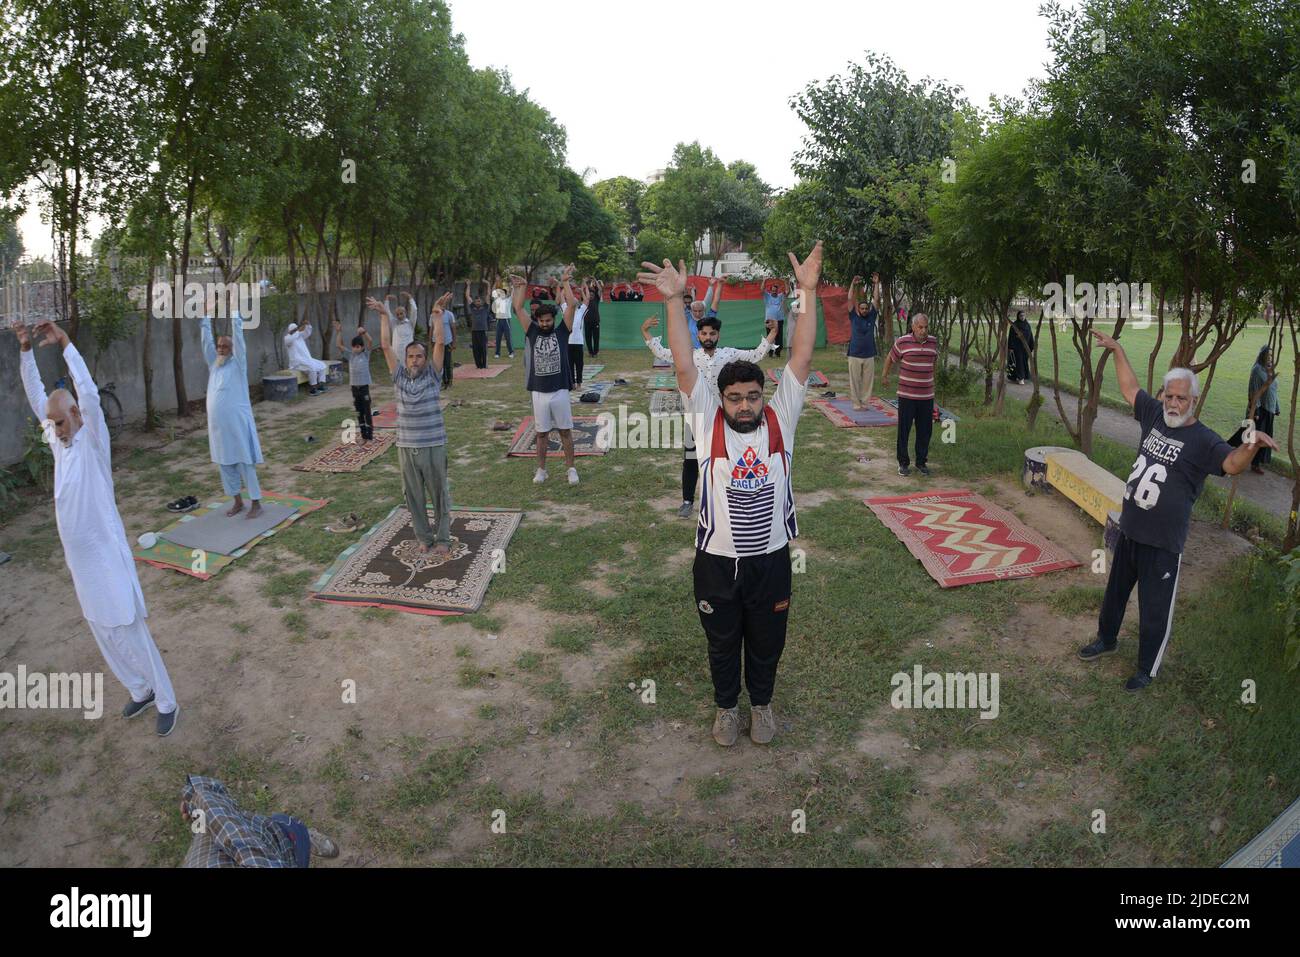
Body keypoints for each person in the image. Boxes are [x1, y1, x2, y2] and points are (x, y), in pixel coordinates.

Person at [639, 242, 823, 748]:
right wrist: (675, 301)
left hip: (770, 560)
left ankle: (760, 706)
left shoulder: (782, 418)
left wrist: (805, 293)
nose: (745, 405)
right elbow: (681, 364)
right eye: (735, 397)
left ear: (765, 397)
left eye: (752, 396)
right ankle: (726, 709)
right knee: (722, 644)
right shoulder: (706, 420)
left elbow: (802, 356)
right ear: (720, 399)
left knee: (767, 642)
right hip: (716, 561)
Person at [1078, 331, 1277, 690]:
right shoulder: (1154, 414)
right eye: (1169, 396)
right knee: (1114, 595)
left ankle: (1145, 669)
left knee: (1155, 610)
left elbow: (1231, 465)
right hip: (1131, 528)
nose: (1173, 403)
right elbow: (1129, 388)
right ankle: (1106, 640)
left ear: (1193, 401)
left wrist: (1249, 446)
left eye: (1180, 398)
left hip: (1163, 543)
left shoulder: (1204, 439)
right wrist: (1118, 349)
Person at [16, 319, 180, 736]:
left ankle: (166, 701)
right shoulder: (59, 440)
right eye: (51, 424)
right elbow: (38, 398)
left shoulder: (91, 439)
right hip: (81, 561)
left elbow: (86, 393)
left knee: (128, 626)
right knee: (103, 630)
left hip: (105, 555)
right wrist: (24, 351)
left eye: (60, 421)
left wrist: (66, 344)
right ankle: (139, 689)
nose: (53, 429)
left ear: (74, 415)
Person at [642, 310, 778, 519]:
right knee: (691, 460)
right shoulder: (689, 356)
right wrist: (645, 331)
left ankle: (725, 497)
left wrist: (773, 333)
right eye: (704, 334)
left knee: (726, 458)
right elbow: (662, 353)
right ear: (698, 336)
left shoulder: (729, 354)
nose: (708, 338)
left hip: (723, 418)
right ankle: (687, 501)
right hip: (694, 418)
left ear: (718, 335)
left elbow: (755, 355)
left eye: (712, 334)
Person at [374, 292, 453, 557]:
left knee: (439, 493)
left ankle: (442, 538)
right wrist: (384, 317)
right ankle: (423, 536)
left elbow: (439, 341)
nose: (415, 360)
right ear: (405, 359)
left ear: (425, 358)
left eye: (420, 356)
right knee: (413, 496)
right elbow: (385, 346)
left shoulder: (432, 375)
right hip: (406, 447)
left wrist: (437, 316)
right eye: (411, 357)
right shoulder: (398, 377)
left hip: (432, 445)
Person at [510, 268, 580, 486]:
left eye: (548, 320)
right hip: (539, 391)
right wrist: (520, 287)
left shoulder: (562, 331)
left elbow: (573, 305)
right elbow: (518, 308)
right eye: (542, 321)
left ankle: (571, 469)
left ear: (553, 319)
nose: (545, 324)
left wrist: (565, 282)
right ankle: (541, 470)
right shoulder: (532, 331)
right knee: (541, 433)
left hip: (559, 389)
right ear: (537, 321)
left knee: (565, 431)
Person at [180, 775, 339, 867]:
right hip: (273, 849)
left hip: (263, 834)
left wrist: (194, 801)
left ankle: (301, 836)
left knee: (288, 833)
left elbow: (217, 816)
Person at [201, 296, 264, 519]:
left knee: (245, 462)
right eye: (219, 346)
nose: (220, 349)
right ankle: (237, 501)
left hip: (237, 424)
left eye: (225, 346)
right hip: (218, 427)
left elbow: (239, 339)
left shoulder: (237, 364)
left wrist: (235, 313)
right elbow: (205, 342)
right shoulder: (214, 365)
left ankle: (256, 502)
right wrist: (206, 316)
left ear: (231, 349)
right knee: (225, 463)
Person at [880, 312, 940, 476]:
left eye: (926, 327)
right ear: (913, 327)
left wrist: (931, 379)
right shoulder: (903, 342)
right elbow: (890, 358)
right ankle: (903, 463)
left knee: (925, 431)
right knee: (904, 430)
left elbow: (934, 361)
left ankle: (921, 462)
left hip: (926, 396)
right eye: (920, 327)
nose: (923, 331)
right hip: (907, 395)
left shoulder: (933, 342)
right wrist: (884, 376)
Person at [334, 318, 374, 443]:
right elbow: (339, 345)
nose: (355, 349)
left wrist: (364, 332)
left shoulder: (365, 355)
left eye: (358, 347)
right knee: (359, 411)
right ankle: (363, 435)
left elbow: (370, 341)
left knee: (367, 411)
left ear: (362, 347)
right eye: (354, 347)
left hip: (364, 388)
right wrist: (339, 332)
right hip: (354, 388)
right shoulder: (350, 355)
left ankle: (370, 435)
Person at [845, 273, 881, 410]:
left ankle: (865, 403)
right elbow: (849, 299)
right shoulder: (853, 316)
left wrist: (877, 284)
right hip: (854, 354)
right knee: (854, 381)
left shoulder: (871, 317)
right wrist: (853, 284)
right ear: (858, 310)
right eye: (862, 308)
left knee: (867, 382)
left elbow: (876, 300)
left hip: (869, 354)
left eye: (866, 308)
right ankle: (856, 404)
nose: (865, 310)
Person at [1247, 345, 1280, 474]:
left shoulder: (1270, 370)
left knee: (1264, 437)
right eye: (1268, 355)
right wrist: (1256, 410)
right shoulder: (1257, 370)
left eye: (1272, 356)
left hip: (1270, 409)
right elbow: (1254, 390)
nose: (1270, 358)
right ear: (1262, 355)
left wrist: (1276, 407)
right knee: (1255, 437)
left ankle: (1256, 462)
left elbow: (1274, 390)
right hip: (1261, 410)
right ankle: (1253, 463)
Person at [284, 321, 329, 395]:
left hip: (307, 360)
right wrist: (298, 330)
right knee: (312, 368)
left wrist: (308, 325)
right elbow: (293, 337)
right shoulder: (287, 338)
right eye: (294, 330)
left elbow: (307, 333)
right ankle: (313, 388)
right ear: (290, 331)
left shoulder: (299, 336)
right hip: (296, 363)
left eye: (296, 329)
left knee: (322, 365)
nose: (296, 331)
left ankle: (321, 385)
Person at [384, 291, 418, 362]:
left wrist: (409, 297)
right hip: (396, 356)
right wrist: (387, 299)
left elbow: (414, 310)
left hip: (409, 355)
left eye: (401, 313)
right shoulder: (394, 323)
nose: (399, 316)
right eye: (397, 314)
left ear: (405, 313)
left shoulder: (410, 323)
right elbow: (387, 312)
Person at [466, 288, 492, 370]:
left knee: (483, 348)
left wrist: (488, 285)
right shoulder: (472, 307)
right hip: (474, 331)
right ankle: (478, 365)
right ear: (474, 302)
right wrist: (469, 286)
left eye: (479, 301)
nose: (478, 302)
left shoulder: (485, 307)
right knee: (475, 349)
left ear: (481, 302)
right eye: (476, 301)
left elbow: (488, 295)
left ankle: (484, 365)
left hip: (483, 331)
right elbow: (467, 296)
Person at [568, 287, 588, 389]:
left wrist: (582, 292)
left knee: (579, 364)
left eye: (576, 300)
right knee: (570, 364)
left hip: (579, 342)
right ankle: (572, 383)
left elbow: (587, 300)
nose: (574, 300)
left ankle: (579, 382)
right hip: (568, 342)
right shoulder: (566, 311)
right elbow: (561, 298)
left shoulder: (581, 311)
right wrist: (566, 286)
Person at [1009, 310, 1035, 384]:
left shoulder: (1027, 325)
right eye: (1021, 316)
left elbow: (1030, 336)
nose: (1022, 317)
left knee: (1024, 362)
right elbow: (1011, 337)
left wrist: (1031, 346)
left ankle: (1023, 376)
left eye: (1024, 315)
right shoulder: (1014, 325)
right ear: (1018, 316)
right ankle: (1020, 378)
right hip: (1017, 347)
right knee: (1019, 361)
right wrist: (1010, 347)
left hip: (1025, 347)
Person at [763, 280, 788, 357]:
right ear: (770, 291)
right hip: (769, 320)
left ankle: (777, 353)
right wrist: (764, 280)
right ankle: (770, 353)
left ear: (777, 291)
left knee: (779, 337)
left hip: (779, 320)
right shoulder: (767, 296)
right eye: (773, 290)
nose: (774, 291)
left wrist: (786, 281)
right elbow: (761, 289)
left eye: (775, 290)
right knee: (769, 337)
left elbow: (787, 291)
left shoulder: (780, 296)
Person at [492, 285, 515, 359]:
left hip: (506, 320)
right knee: (498, 337)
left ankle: (511, 352)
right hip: (499, 320)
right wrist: (495, 283)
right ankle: (497, 353)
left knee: (508, 337)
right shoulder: (497, 300)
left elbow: (512, 294)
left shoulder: (508, 300)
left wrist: (512, 287)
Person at [438, 297, 457, 389]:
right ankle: (443, 382)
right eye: (441, 304)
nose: (442, 306)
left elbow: (453, 329)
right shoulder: (433, 315)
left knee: (448, 363)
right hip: (438, 344)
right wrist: (431, 343)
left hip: (447, 342)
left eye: (444, 305)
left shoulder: (449, 314)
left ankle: (449, 382)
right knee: (440, 364)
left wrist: (454, 342)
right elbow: (431, 329)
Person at [584, 278, 603, 356]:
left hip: (595, 321)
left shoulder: (596, 299)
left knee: (596, 337)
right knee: (588, 337)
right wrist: (584, 282)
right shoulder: (585, 300)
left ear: (594, 295)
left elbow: (600, 290)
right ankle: (590, 352)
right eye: (590, 294)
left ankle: (596, 352)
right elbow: (583, 289)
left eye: (592, 294)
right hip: (587, 321)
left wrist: (595, 280)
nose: (591, 295)